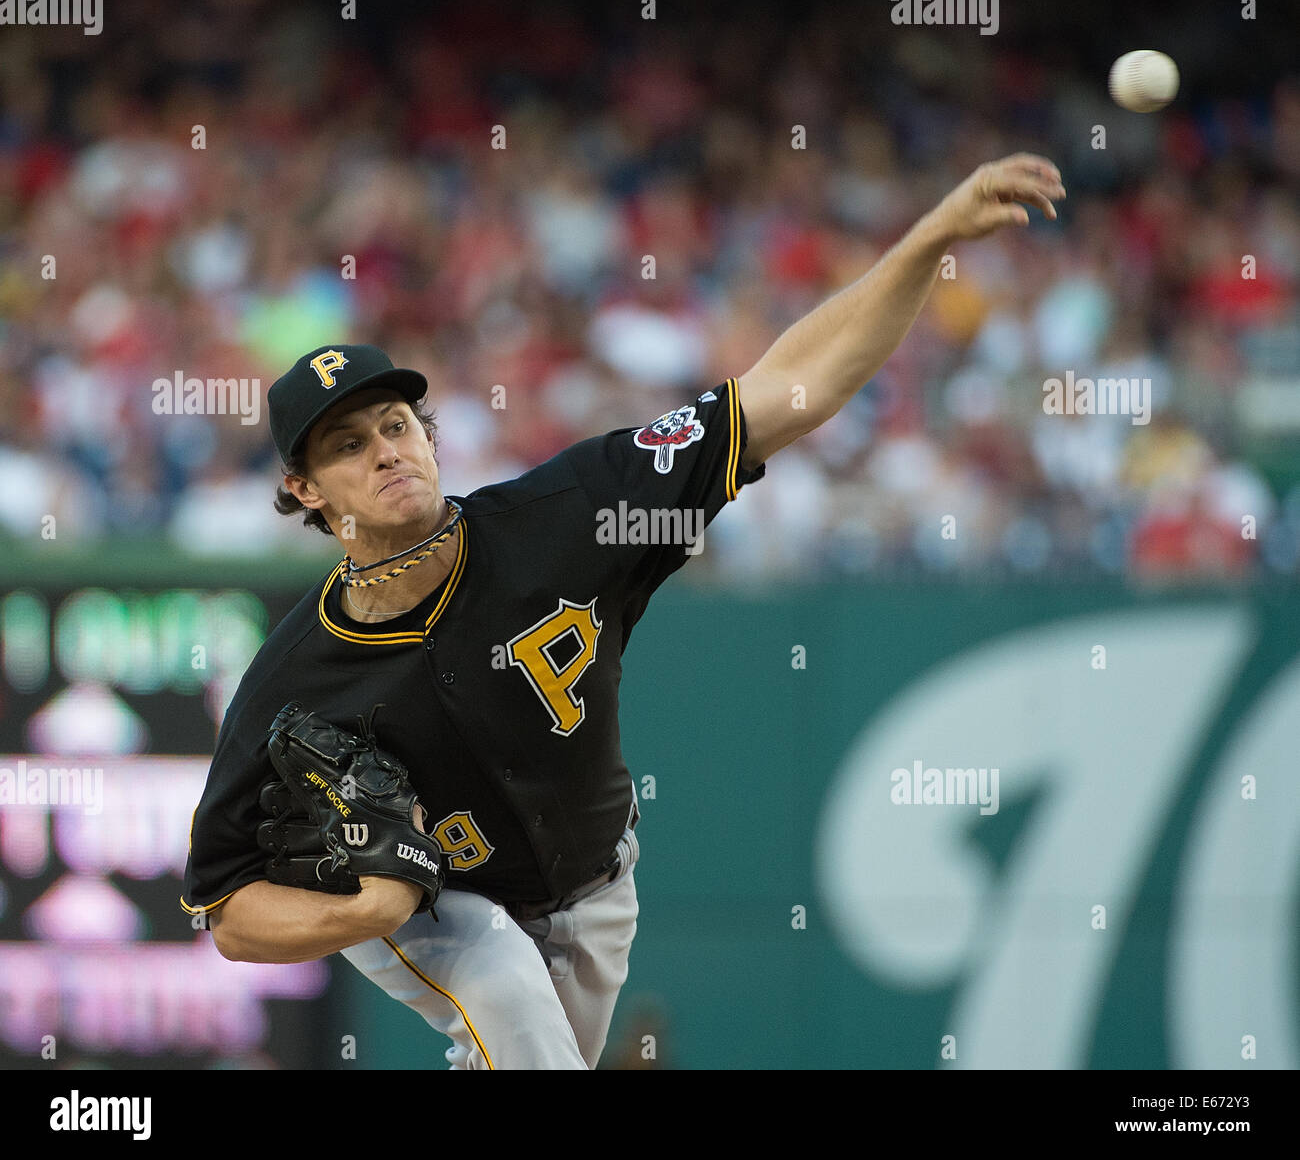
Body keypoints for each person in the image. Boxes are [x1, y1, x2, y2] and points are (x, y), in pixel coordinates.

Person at [181, 155, 1065, 1069]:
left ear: (429, 431)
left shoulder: (573, 513)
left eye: (396, 424)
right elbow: (228, 911)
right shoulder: (291, 682)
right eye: (347, 445)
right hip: (428, 900)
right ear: (306, 491)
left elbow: (787, 390)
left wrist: (927, 241)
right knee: (502, 984)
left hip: (595, 886)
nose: (385, 452)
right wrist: (361, 910)